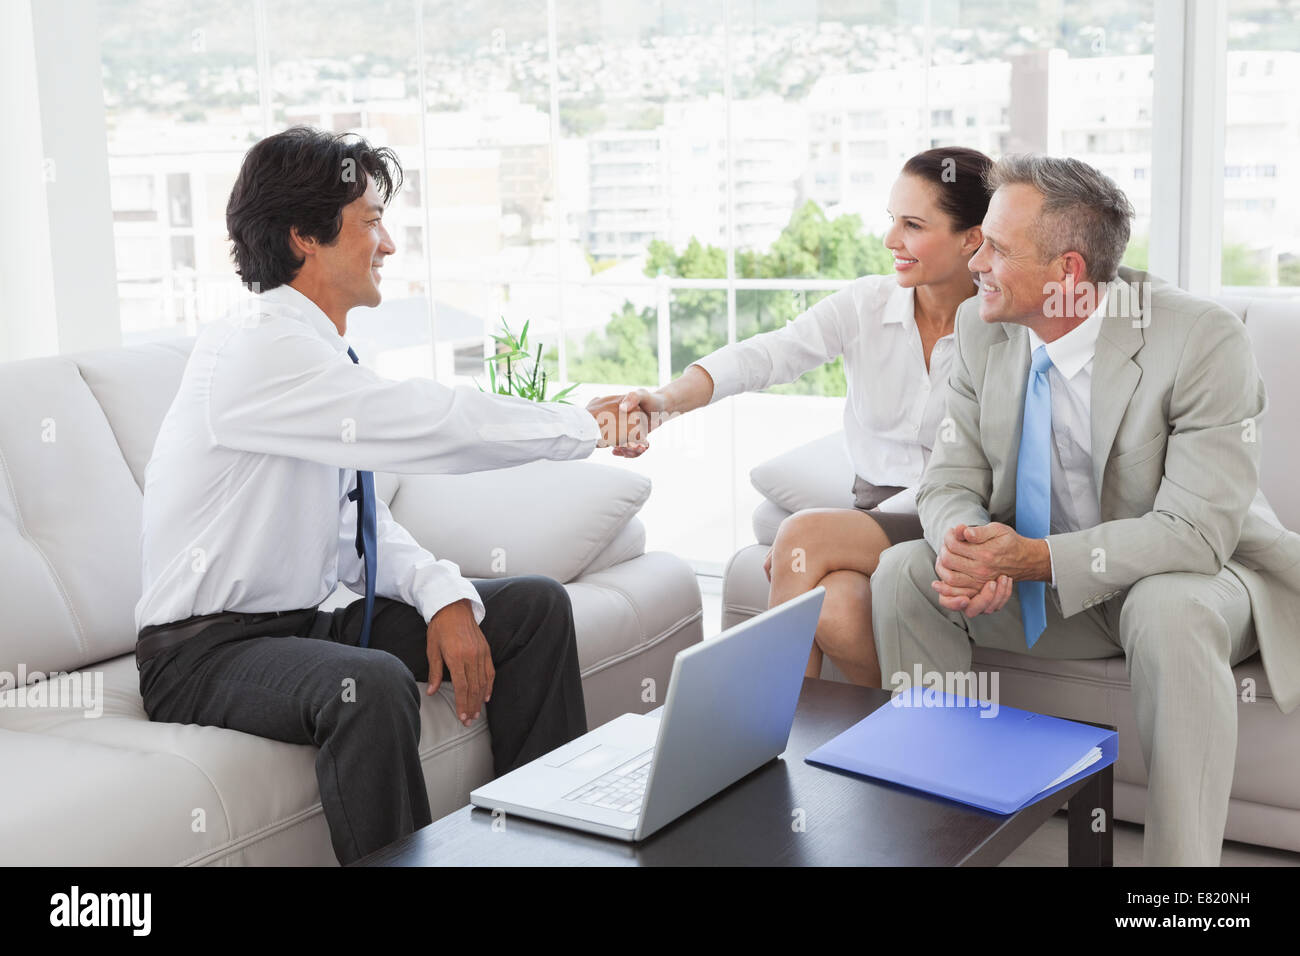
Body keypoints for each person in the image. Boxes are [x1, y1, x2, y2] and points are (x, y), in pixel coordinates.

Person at [134, 126, 632, 865]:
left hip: (300, 623)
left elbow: (357, 525)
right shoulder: (257, 350)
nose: (389, 245)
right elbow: (434, 420)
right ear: (305, 234)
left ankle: (545, 848)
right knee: (365, 687)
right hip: (202, 654)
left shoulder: (319, 354)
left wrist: (443, 593)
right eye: (372, 222)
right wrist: (581, 425)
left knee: (531, 609)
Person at [870, 153, 1300, 865]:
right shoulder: (982, 328)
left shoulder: (1199, 339)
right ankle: (943, 845)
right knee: (903, 575)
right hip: (1051, 580)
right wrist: (967, 544)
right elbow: (948, 480)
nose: (975, 260)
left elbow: (1194, 534)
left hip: (1201, 575)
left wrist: (1032, 558)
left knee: (1169, 607)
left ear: (1068, 272)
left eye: (997, 247)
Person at [614, 147, 992, 686]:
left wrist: (821, 537)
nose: (891, 241)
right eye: (892, 221)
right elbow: (768, 355)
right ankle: (900, 743)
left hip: (952, 517)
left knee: (800, 535)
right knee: (834, 607)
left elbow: (988, 462)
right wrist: (663, 402)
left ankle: (756, 741)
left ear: (971, 238)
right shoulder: (867, 304)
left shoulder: (1001, 328)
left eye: (913, 225)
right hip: (875, 510)